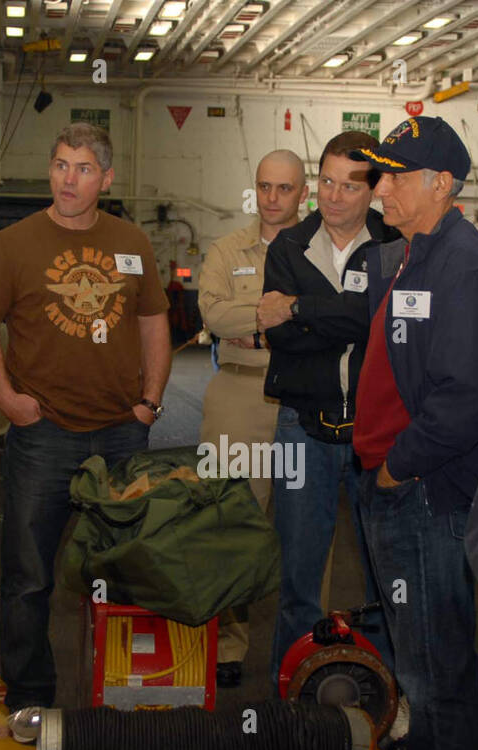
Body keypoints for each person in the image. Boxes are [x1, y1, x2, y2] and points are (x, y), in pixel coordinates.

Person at [349, 117, 478, 750]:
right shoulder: (418, 254)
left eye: (393, 175)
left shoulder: (468, 270)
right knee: (422, 674)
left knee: (440, 679)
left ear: (441, 185)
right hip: (398, 489)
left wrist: (396, 467)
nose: (378, 188)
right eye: (377, 174)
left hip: (424, 497)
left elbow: (467, 400)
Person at [0, 122, 171, 714]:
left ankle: (125, 696)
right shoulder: (13, 244)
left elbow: (153, 322)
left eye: (83, 169)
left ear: (105, 178)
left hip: (121, 431)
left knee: (130, 572)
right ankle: (31, 697)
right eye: (60, 165)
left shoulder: (133, 242)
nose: (68, 179)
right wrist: (7, 399)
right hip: (44, 435)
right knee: (28, 576)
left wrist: (150, 403)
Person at [255, 131, 398, 686]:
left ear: (374, 189)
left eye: (350, 185)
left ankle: (384, 696)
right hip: (303, 432)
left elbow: (379, 321)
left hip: (376, 435)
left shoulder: (393, 245)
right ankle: (287, 696)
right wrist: (340, 316)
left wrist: (300, 309)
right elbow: (285, 339)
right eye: (327, 182)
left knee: (383, 577)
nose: (334, 196)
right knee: (299, 578)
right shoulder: (287, 248)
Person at [197, 149, 307, 688]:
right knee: (229, 523)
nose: (272, 198)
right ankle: (226, 647)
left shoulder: (317, 250)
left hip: (303, 401)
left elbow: (334, 316)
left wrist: (260, 326)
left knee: (308, 529)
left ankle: (306, 645)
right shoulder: (227, 248)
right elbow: (213, 315)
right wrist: (282, 319)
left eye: (284, 188)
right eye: (264, 186)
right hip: (238, 397)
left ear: (301, 194)